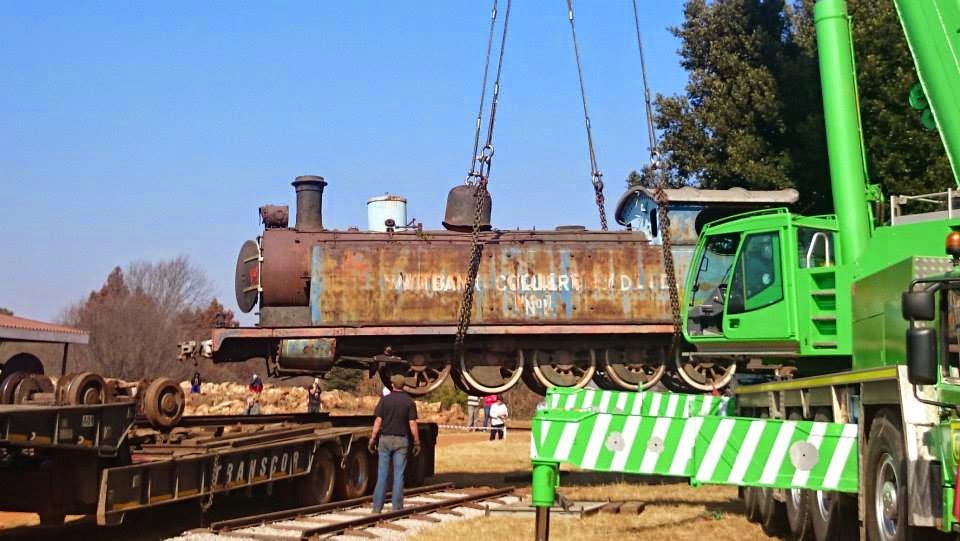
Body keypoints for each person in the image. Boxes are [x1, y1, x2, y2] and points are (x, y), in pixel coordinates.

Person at [368, 373, 420, 513]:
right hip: (401, 441)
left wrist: (373, 439)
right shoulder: (409, 402)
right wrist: (417, 442)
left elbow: (378, 421)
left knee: (382, 474)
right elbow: (412, 423)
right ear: (404, 386)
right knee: (398, 475)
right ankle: (397, 508)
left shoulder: (385, 400)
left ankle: (377, 508)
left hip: (384, 440)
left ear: (392, 385)